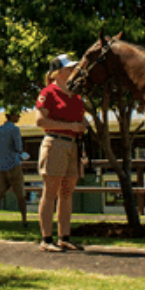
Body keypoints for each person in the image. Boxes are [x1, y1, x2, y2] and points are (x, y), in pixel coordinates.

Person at [35, 55, 89, 252]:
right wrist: (71, 126)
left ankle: (64, 237)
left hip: (74, 145)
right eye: (69, 68)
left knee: (67, 193)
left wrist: (82, 129)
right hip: (55, 142)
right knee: (50, 192)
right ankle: (46, 239)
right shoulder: (48, 93)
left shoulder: (76, 97)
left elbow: (82, 121)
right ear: (58, 72)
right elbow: (40, 121)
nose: (72, 71)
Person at [0, 110, 28, 228]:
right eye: (17, 114)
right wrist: (23, 155)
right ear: (11, 116)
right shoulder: (15, 129)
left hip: (1, 166)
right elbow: (18, 147)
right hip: (14, 164)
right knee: (20, 194)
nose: (19, 116)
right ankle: (24, 220)